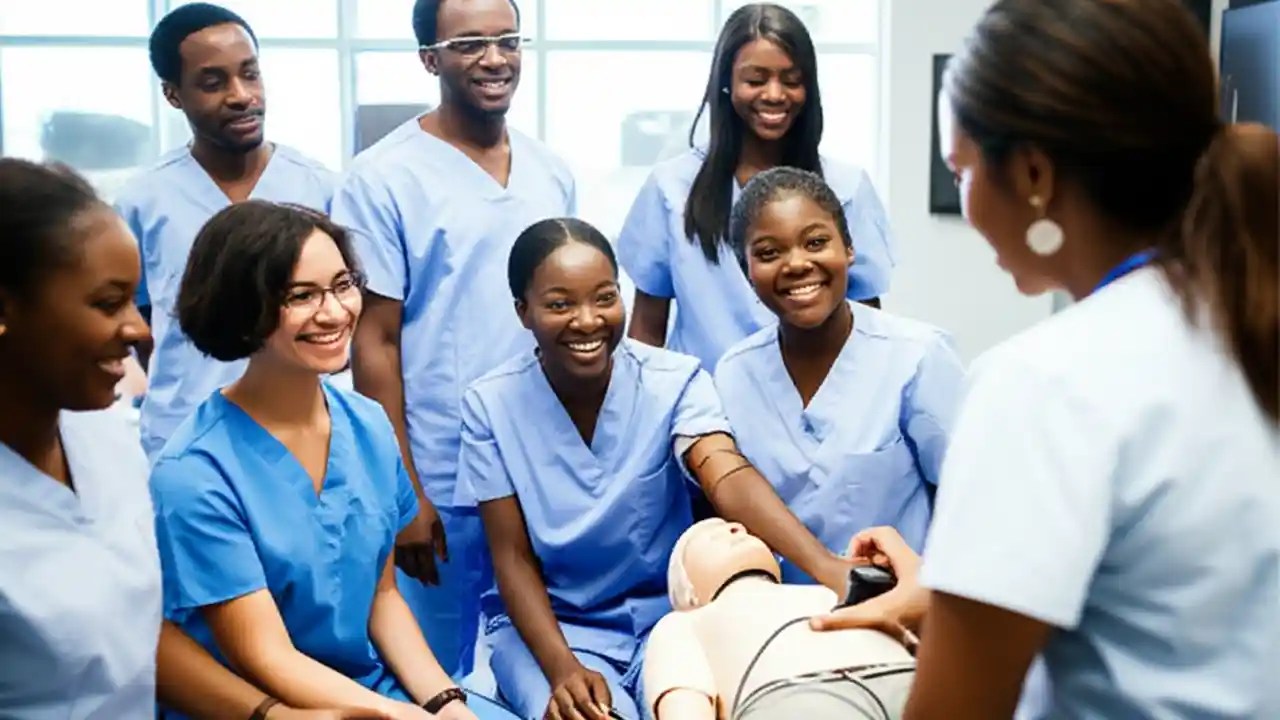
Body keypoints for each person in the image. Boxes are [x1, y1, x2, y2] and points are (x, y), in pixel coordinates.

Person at [813, 2, 1280, 718]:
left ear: (1032, 171)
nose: (965, 201)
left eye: (960, 170)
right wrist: (950, 587)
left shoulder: (1046, 380)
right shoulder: (1247, 322)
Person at [0, 159, 385, 720]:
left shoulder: (102, 439)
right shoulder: (195, 467)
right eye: (108, 304)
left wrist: (272, 717)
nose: (141, 330)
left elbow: (140, 636)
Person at [453, 218, 857, 720]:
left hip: (668, 622)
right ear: (524, 312)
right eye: (560, 304)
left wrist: (828, 569)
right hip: (551, 630)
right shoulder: (490, 404)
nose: (588, 320)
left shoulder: (675, 380)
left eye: (605, 297)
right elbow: (510, 556)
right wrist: (562, 669)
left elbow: (723, 470)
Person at [149, 201, 516, 720]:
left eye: (344, 285)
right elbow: (265, 656)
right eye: (301, 296)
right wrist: (395, 716)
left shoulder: (365, 423)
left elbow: (382, 596)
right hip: (273, 705)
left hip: (367, 685)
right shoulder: (194, 473)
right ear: (240, 308)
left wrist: (445, 702)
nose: (336, 312)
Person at [333, 0, 574, 679]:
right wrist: (404, 491)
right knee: (439, 670)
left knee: (538, 665)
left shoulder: (551, 171)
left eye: (507, 40)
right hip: (442, 476)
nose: (494, 58)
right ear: (429, 59)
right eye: (470, 43)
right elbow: (373, 343)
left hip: (540, 469)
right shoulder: (381, 178)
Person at [714, 167, 964, 583]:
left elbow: (972, 502)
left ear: (849, 249)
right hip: (779, 617)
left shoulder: (917, 357)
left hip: (899, 605)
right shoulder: (734, 375)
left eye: (815, 242)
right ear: (747, 272)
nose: (797, 263)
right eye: (769, 252)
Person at [618, 2, 895, 373]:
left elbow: (867, 329)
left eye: (792, 80)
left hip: (814, 411)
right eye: (756, 80)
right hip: (702, 411)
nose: (775, 95)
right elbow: (646, 331)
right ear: (726, 83)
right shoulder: (671, 188)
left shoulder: (846, 187)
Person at [114, 2, 336, 461]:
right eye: (213, 83)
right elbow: (137, 322)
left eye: (250, 74)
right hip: (185, 438)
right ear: (173, 94)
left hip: (302, 435)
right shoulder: (144, 200)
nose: (241, 95)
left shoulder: (320, 188)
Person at [643, 519, 916, 720]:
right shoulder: (684, 623)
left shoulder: (831, 595)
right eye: (707, 534)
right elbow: (684, 706)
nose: (737, 527)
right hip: (798, 695)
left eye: (742, 527)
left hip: (910, 679)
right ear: (689, 594)